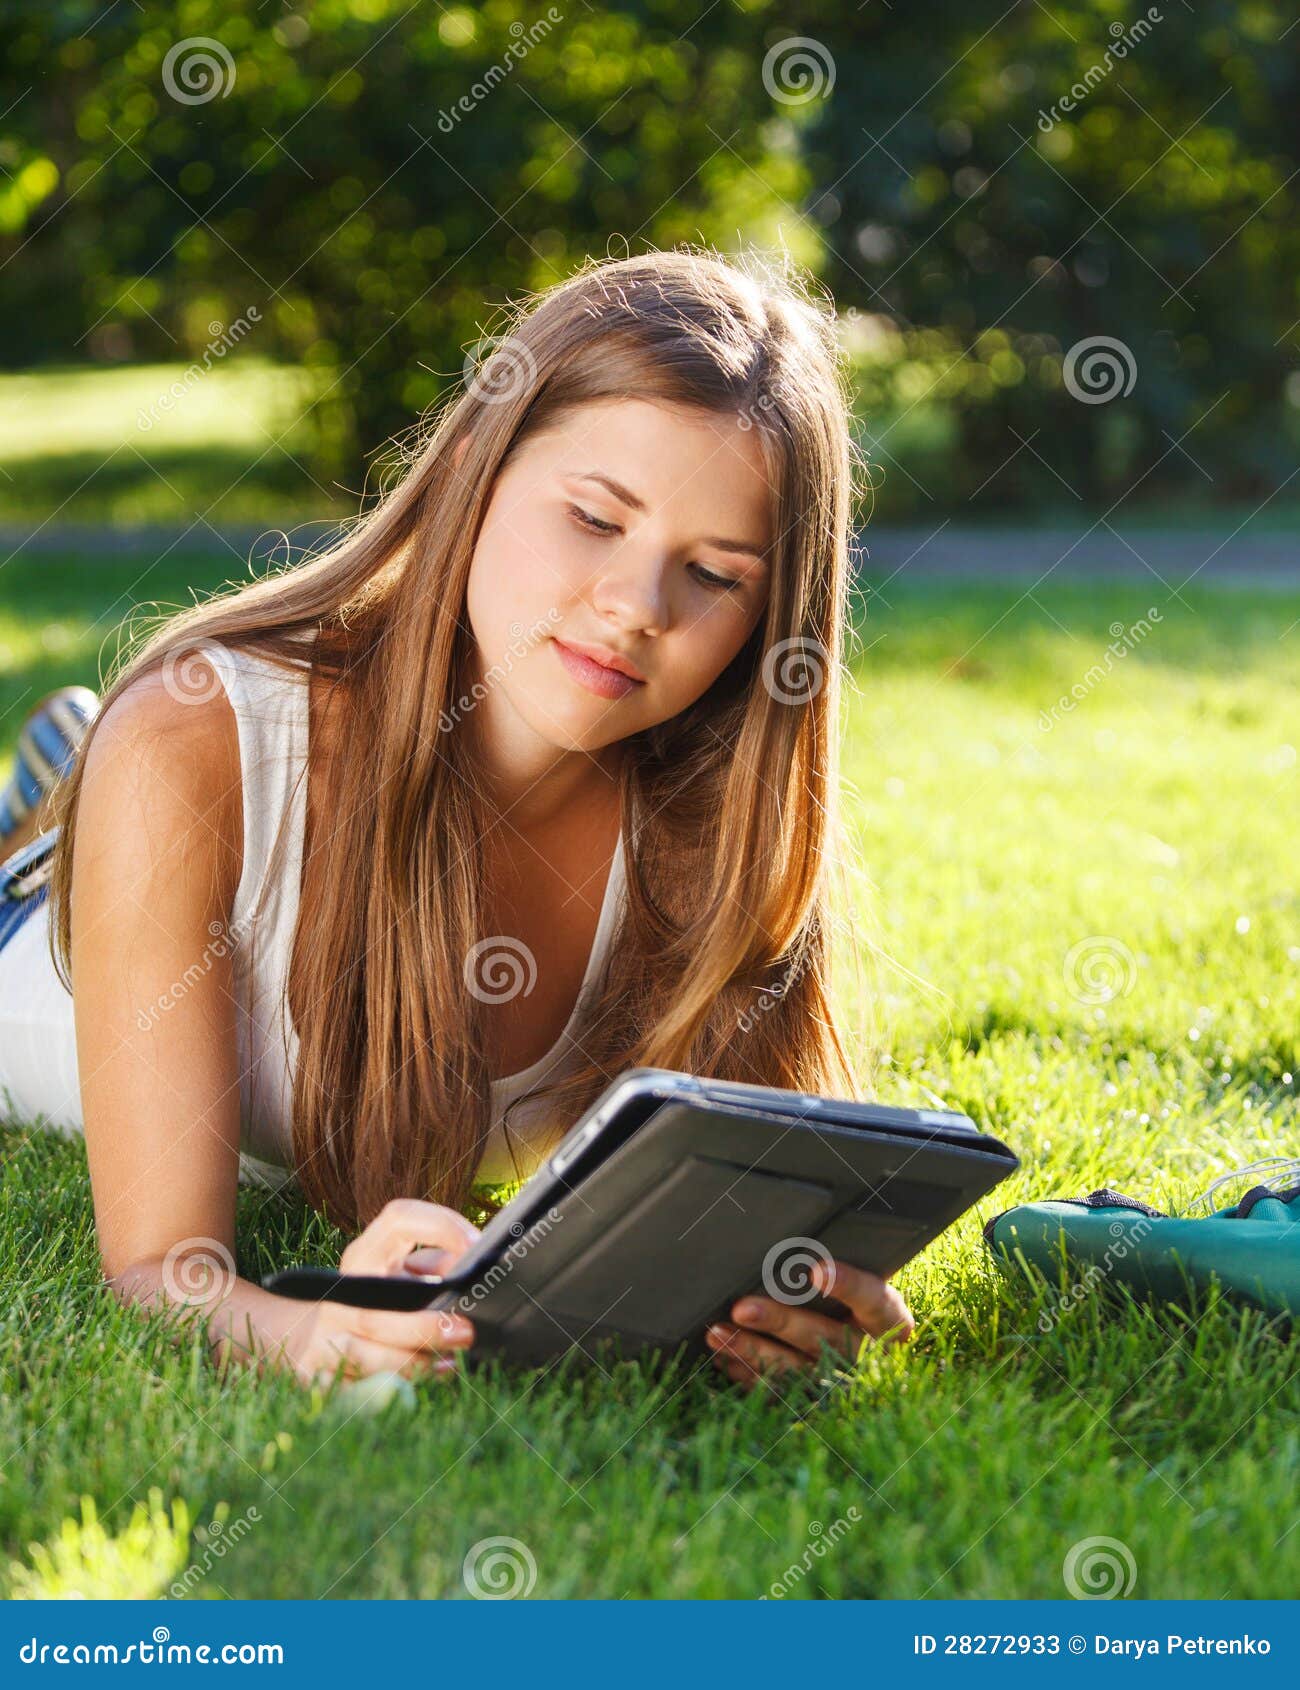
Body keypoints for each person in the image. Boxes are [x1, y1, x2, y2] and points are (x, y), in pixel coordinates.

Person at [0, 246, 913, 1392]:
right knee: (60, 841)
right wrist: (321, 1332)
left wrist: (786, 1301)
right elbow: (160, 1273)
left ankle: (48, 780)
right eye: (593, 517)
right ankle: (54, 797)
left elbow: (736, 1211)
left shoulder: (713, 824)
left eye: (716, 576)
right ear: (477, 470)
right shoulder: (195, 746)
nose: (634, 608)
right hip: (32, 965)